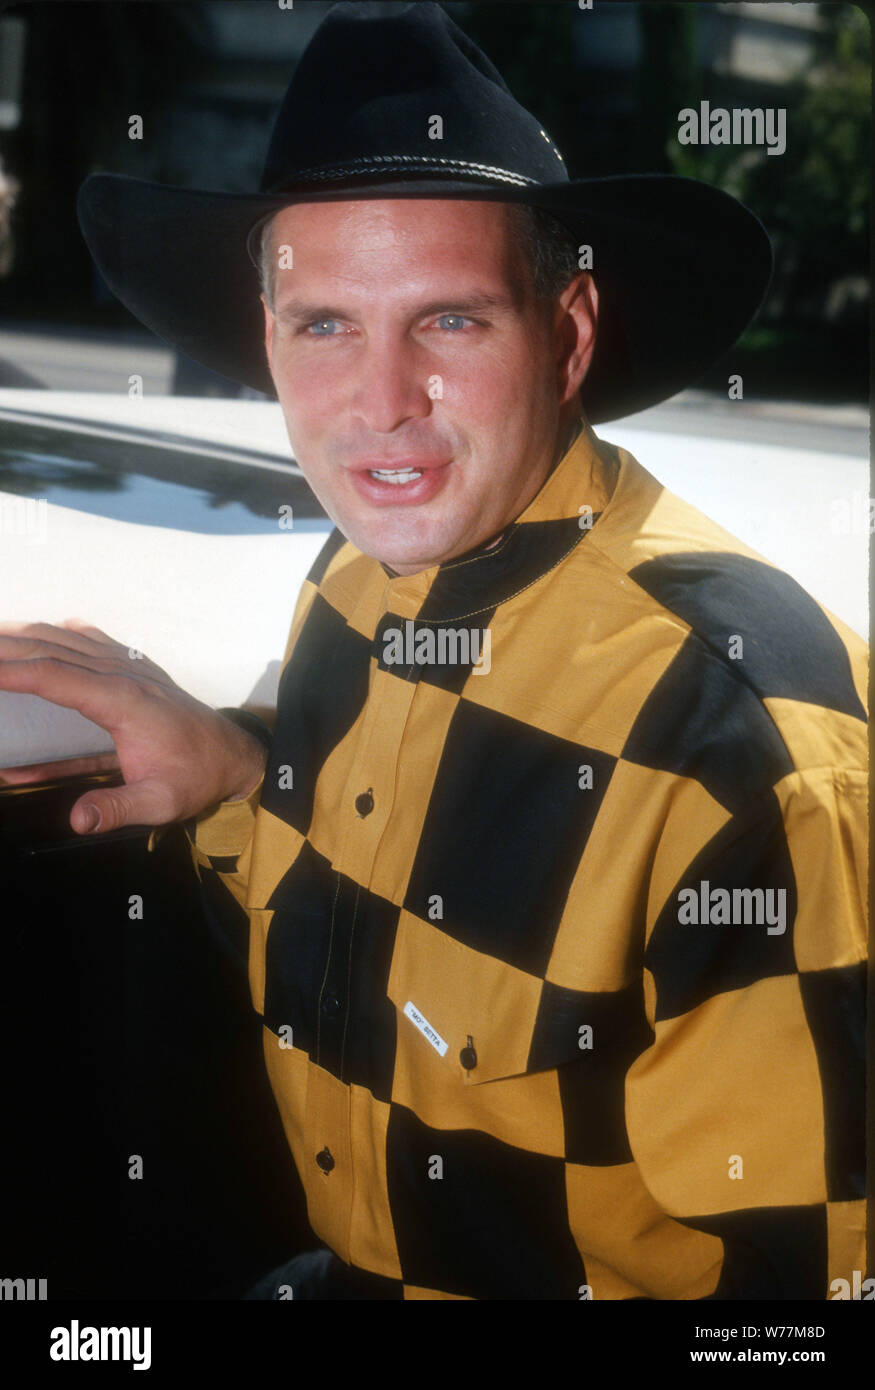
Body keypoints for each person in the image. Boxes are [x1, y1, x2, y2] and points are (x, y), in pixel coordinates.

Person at [0, 2, 866, 1300]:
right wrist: (237, 778)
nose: (381, 404)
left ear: (566, 334)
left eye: (450, 321)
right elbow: (380, 920)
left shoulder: (742, 746)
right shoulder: (356, 575)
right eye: (325, 325)